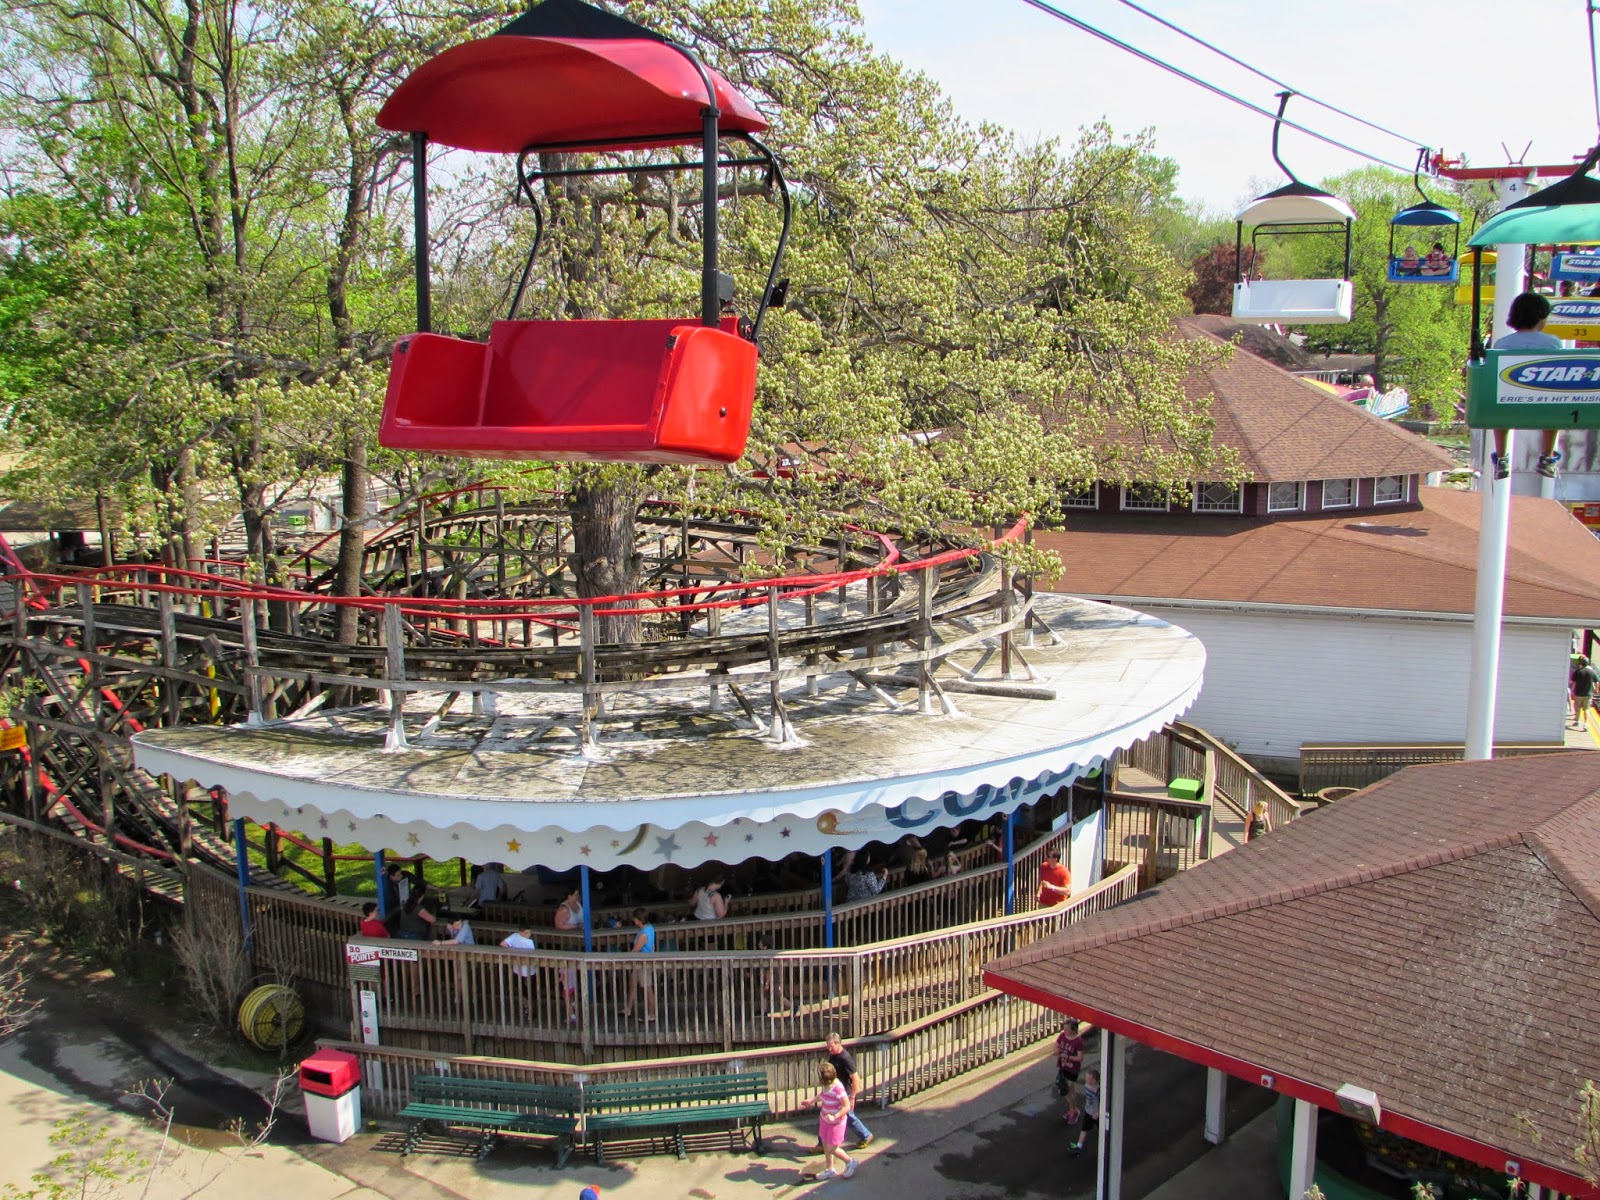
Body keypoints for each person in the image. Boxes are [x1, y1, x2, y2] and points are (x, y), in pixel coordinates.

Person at [1488, 292, 1566, 480]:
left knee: (1500, 412)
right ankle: (1547, 456)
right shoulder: (1553, 343)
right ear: (1541, 316)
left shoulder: (1502, 344)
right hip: (1543, 405)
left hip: (1509, 404)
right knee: (1555, 409)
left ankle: (1501, 457)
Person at [801, 1062, 859, 1181]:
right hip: (825, 1120)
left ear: (825, 1077)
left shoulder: (838, 1088)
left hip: (836, 1123)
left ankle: (850, 1162)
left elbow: (846, 1106)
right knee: (826, 1146)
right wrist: (811, 1101)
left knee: (832, 1148)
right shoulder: (826, 1085)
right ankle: (830, 1169)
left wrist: (835, 1116)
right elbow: (823, 1095)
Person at [824, 1031, 874, 1148]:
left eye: (831, 1047)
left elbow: (856, 1079)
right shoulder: (833, 1055)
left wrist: (852, 1097)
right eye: (828, 1047)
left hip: (844, 1093)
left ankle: (865, 1135)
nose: (829, 1049)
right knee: (829, 1116)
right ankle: (823, 1142)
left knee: (848, 1117)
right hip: (835, 1091)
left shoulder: (845, 1058)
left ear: (837, 1044)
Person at [554, 888, 583, 1024]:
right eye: (576, 894)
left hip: (579, 946)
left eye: (578, 894)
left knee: (572, 985)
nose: (578, 896)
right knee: (568, 986)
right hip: (568, 946)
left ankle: (573, 1011)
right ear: (569, 895)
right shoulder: (564, 910)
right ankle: (571, 1013)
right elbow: (559, 926)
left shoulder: (578, 904)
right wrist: (574, 926)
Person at [623, 909, 657, 1023]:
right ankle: (628, 1009)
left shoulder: (643, 934)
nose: (633, 920)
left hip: (644, 963)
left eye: (635, 919)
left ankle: (652, 1014)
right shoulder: (649, 927)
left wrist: (623, 958)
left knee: (647, 988)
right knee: (632, 983)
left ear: (639, 920)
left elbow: (636, 950)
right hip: (639, 963)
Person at [1067, 1068, 1101, 1156]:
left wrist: (1098, 1113)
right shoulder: (1087, 1086)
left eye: (1088, 1078)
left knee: (1101, 1129)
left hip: (1096, 1114)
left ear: (1094, 1081)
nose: (1086, 1079)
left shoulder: (1099, 1091)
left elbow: (1103, 1102)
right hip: (1089, 1112)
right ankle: (1079, 1146)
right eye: (1086, 1077)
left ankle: (1104, 1144)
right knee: (1084, 1129)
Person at [1054, 1019, 1086, 1095]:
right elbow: (1056, 1045)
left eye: (1067, 1029)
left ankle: (1073, 1106)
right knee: (1063, 1087)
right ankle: (1071, 1106)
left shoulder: (1078, 1041)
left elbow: (1080, 1058)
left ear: (1073, 1030)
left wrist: (1068, 1057)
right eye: (1064, 1029)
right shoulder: (1062, 1035)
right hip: (1062, 1066)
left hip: (1072, 1069)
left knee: (1070, 1089)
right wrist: (1057, 1051)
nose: (1064, 1031)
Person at [1572, 655, 1600, 729]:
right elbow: (1597, 681)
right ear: (1587, 663)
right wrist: (1596, 689)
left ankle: (1577, 721)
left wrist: (1572, 692)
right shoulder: (1591, 672)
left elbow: (1574, 683)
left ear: (1581, 663)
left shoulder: (1577, 672)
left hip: (1578, 693)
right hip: (1588, 694)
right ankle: (1585, 724)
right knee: (1586, 709)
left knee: (1577, 707)